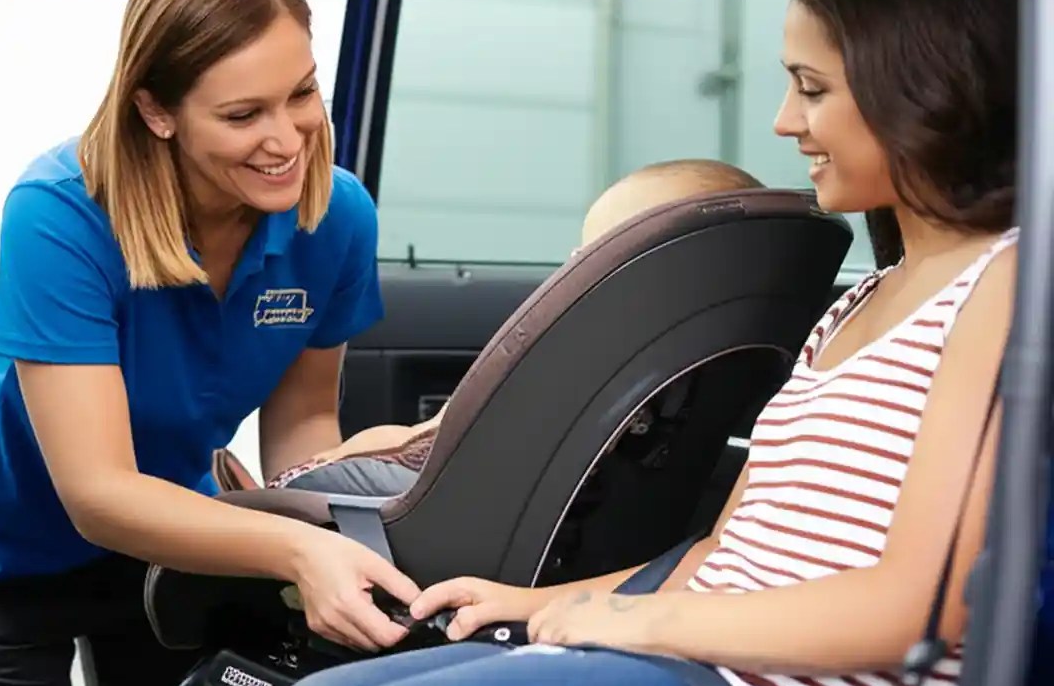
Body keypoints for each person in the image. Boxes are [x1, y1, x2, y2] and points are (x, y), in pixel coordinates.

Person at [295, 0, 1020, 686]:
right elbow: (724, 554)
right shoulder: (857, 303)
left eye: (812, 87)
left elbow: (924, 607)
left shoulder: (1002, 282)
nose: (784, 121)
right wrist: (549, 605)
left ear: (922, 88)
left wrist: (632, 624)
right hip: (698, 651)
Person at [0, 0, 422, 686]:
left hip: (172, 544)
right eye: (244, 115)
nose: (288, 139)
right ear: (157, 111)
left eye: (302, 93)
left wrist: (313, 508)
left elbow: (303, 420)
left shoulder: (335, 218)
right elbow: (99, 494)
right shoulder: (59, 214)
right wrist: (293, 549)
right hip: (1, 550)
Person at [214, 159, 767, 497]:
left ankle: (274, 500)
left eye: (596, 258)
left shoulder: (592, 361)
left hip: (459, 501)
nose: (573, 270)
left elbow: (448, 442)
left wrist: (341, 462)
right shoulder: (697, 371)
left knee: (367, 458)